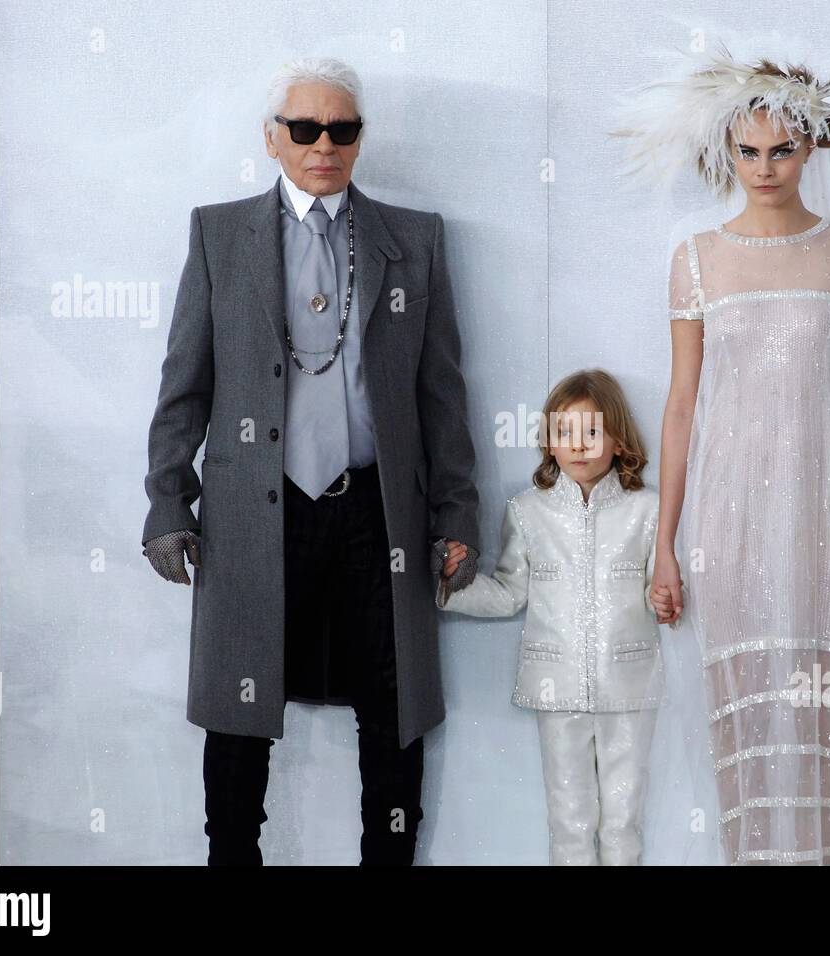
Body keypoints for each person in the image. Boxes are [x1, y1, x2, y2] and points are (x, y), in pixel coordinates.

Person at [141, 57, 480, 865]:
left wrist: (457, 513)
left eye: (342, 129)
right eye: (304, 129)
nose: (323, 144)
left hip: (378, 509)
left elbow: (442, 394)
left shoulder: (414, 239)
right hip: (256, 507)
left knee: (391, 704)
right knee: (238, 707)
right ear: (272, 139)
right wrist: (165, 502)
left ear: (359, 139)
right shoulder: (219, 234)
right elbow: (184, 384)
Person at [619, 47, 830, 865]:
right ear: (725, 152)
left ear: (810, 147)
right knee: (741, 714)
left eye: (781, 149)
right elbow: (681, 408)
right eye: (748, 151)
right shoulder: (696, 260)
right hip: (728, 517)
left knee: (824, 712)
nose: (765, 167)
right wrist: (664, 546)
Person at [437, 369, 666, 864]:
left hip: (629, 684)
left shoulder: (647, 511)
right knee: (569, 819)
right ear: (548, 442)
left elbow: (654, 592)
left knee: (624, 820)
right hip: (556, 686)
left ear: (618, 440)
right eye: (564, 433)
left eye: (591, 432)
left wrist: (665, 598)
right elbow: (507, 593)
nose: (578, 445)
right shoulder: (527, 512)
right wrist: (446, 588)